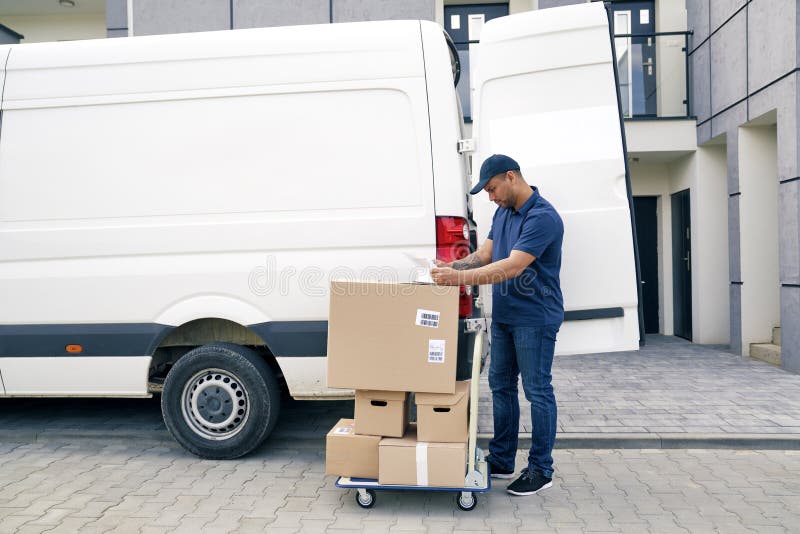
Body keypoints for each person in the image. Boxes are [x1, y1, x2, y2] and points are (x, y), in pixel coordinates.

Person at [431, 154, 563, 496]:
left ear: (511, 177)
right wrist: (451, 267)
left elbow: (511, 267)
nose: (491, 198)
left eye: (492, 189)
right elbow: (486, 256)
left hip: (535, 318)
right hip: (505, 316)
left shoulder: (543, 217)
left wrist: (455, 280)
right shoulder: (503, 212)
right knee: (501, 386)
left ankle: (541, 469)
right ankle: (503, 459)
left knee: (537, 391)